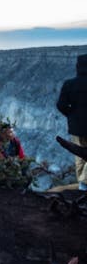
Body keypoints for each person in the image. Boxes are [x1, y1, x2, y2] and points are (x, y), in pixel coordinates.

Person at [57, 54, 87, 191]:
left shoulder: (69, 84)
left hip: (76, 127)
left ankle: (83, 185)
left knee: (79, 156)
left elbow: (61, 105)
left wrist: (71, 115)